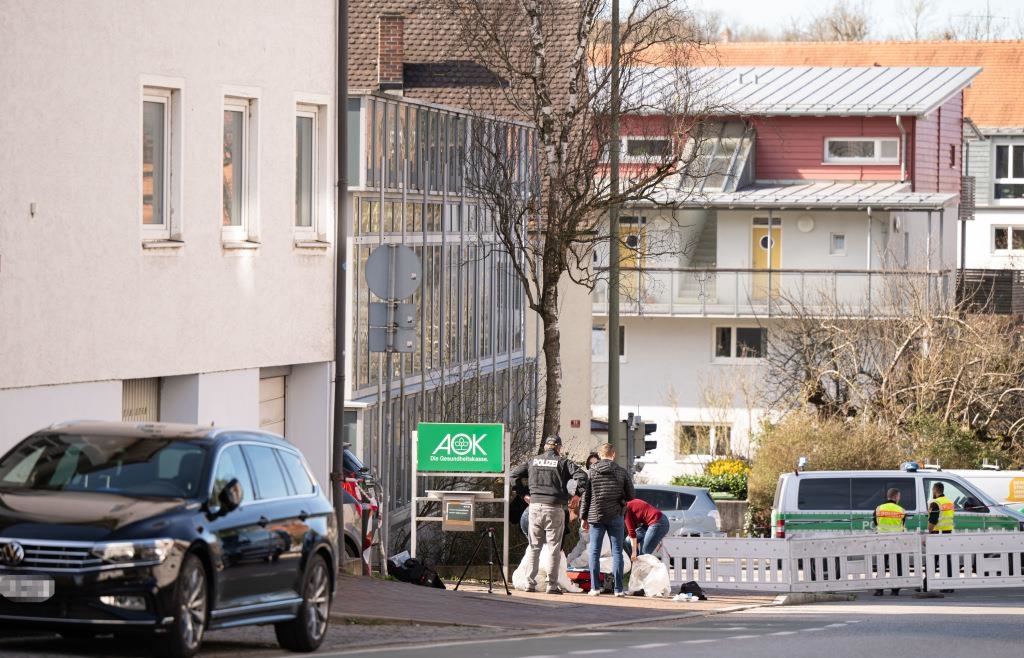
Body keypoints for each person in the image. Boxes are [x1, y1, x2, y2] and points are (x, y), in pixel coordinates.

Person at [509, 436, 587, 594]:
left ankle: (530, 583)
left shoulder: (532, 461)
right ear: (558, 448)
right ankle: (551, 585)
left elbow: (513, 475)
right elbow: (583, 477)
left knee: (534, 547)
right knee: (553, 548)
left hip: (534, 507)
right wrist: (578, 495)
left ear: (545, 447)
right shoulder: (563, 462)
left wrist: (524, 494)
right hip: (554, 507)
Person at [580, 443, 634, 597]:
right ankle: (618, 589)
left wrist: (583, 517)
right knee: (617, 551)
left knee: (594, 551)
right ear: (613, 454)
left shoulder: (591, 472)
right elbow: (631, 496)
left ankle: (595, 587)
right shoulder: (622, 472)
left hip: (596, 515)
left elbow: (586, 497)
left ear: (600, 454)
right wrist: (621, 502)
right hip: (616, 515)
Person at [873, 487, 906, 596]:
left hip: (882, 540)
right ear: (896, 497)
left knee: (882, 564)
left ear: (888, 496)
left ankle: (879, 589)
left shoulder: (878, 509)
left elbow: (876, 523)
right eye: (899, 496)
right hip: (896, 541)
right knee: (897, 564)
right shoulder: (901, 510)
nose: (899, 498)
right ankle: (895, 589)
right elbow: (902, 525)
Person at [928, 482, 955, 593]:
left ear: (935, 490)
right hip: (947, 533)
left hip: (937, 534)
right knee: (946, 559)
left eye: (933, 490)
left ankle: (926, 583)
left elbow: (933, 520)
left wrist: (929, 531)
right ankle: (949, 585)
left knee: (932, 559)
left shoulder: (935, 503)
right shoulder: (949, 502)